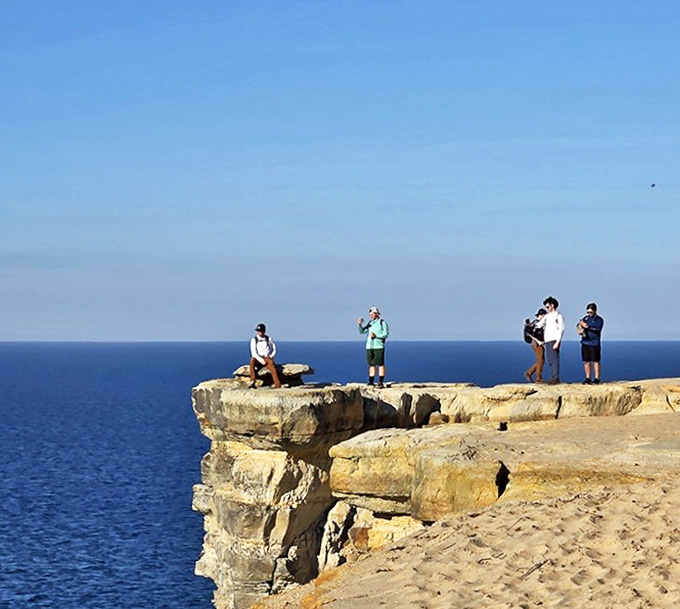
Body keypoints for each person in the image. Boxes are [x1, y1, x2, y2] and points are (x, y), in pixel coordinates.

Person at [357, 307, 390, 388]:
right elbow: (362, 331)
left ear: (377, 314)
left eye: (372, 314)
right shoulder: (370, 323)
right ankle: (371, 382)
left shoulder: (382, 323)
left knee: (380, 364)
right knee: (371, 364)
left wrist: (376, 336)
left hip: (378, 346)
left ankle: (380, 382)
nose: (371, 316)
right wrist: (360, 324)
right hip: (369, 346)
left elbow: (386, 334)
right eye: (370, 314)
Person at [535, 296, 565, 385]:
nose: (546, 309)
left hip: (554, 339)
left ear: (552, 305)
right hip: (547, 339)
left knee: (554, 359)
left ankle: (555, 378)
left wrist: (558, 341)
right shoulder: (547, 316)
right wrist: (532, 324)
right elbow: (540, 324)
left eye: (547, 307)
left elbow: (561, 329)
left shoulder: (558, 315)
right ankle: (553, 377)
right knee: (550, 360)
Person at [248, 323, 281, 389]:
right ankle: (252, 381)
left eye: (261, 331)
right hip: (258, 357)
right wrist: (260, 360)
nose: (259, 333)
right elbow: (253, 353)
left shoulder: (269, 339)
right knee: (252, 361)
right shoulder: (254, 340)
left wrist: (272, 355)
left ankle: (277, 384)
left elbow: (274, 348)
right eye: (258, 331)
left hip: (266, 357)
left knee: (272, 367)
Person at [579, 302, 604, 384]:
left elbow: (597, 329)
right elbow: (580, 326)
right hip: (585, 342)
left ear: (595, 311)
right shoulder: (585, 318)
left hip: (594, 343)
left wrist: (587, 327)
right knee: (586, 361)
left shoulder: (599, 320)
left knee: (595, 361)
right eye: (588, 312)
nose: (589, 314)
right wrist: (580, 326)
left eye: (591, 312)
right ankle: (587, 377)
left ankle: (597, 378)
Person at [523, 308, 547, 383]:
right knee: (540, 360)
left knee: (541, 360)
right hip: (536, 343)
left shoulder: (535, 323)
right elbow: (531, 334)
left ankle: (529, 372)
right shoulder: (536, 323)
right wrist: (538, 341)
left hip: (536, 343)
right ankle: (538, 377)